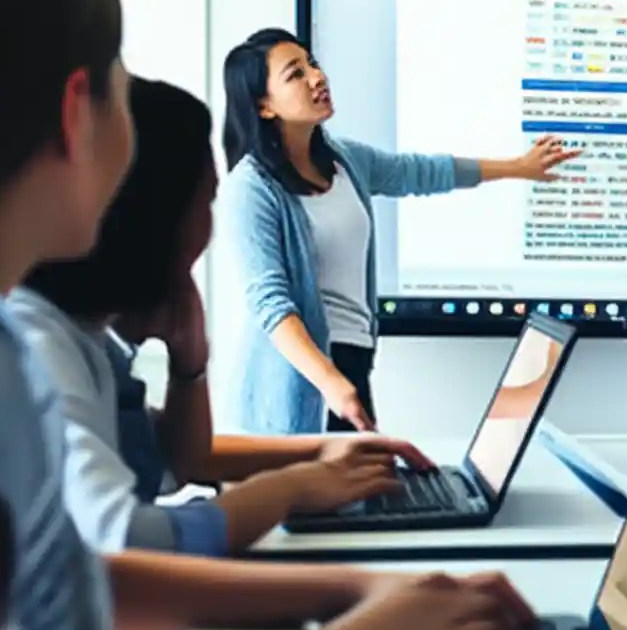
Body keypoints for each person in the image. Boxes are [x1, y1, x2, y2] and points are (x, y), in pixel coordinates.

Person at [0, 0, 532, 630]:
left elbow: (69, 586)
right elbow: (112, 545)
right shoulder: (1, 372)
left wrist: (345, 595)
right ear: (75, 113)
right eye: (125, 83)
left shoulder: (16, 345)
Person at [13, 77, 437, 567]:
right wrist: (293, 488)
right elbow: (125, 540)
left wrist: (333, 448)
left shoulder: (91, 344)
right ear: (153, 215)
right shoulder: (43, 347)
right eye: (210, 200)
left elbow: (181, 456)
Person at [219, 28, 581, 436]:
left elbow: (423, 172)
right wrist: (330, 382)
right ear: (264, 106)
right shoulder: (251, 188)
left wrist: (518, 167)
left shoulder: (343, 161)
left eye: (313, 65)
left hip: (351, 361)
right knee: (322, 496)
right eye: (295, 74)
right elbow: (271, 304)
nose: (317, 78)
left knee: (364, 491)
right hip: (297, 380)